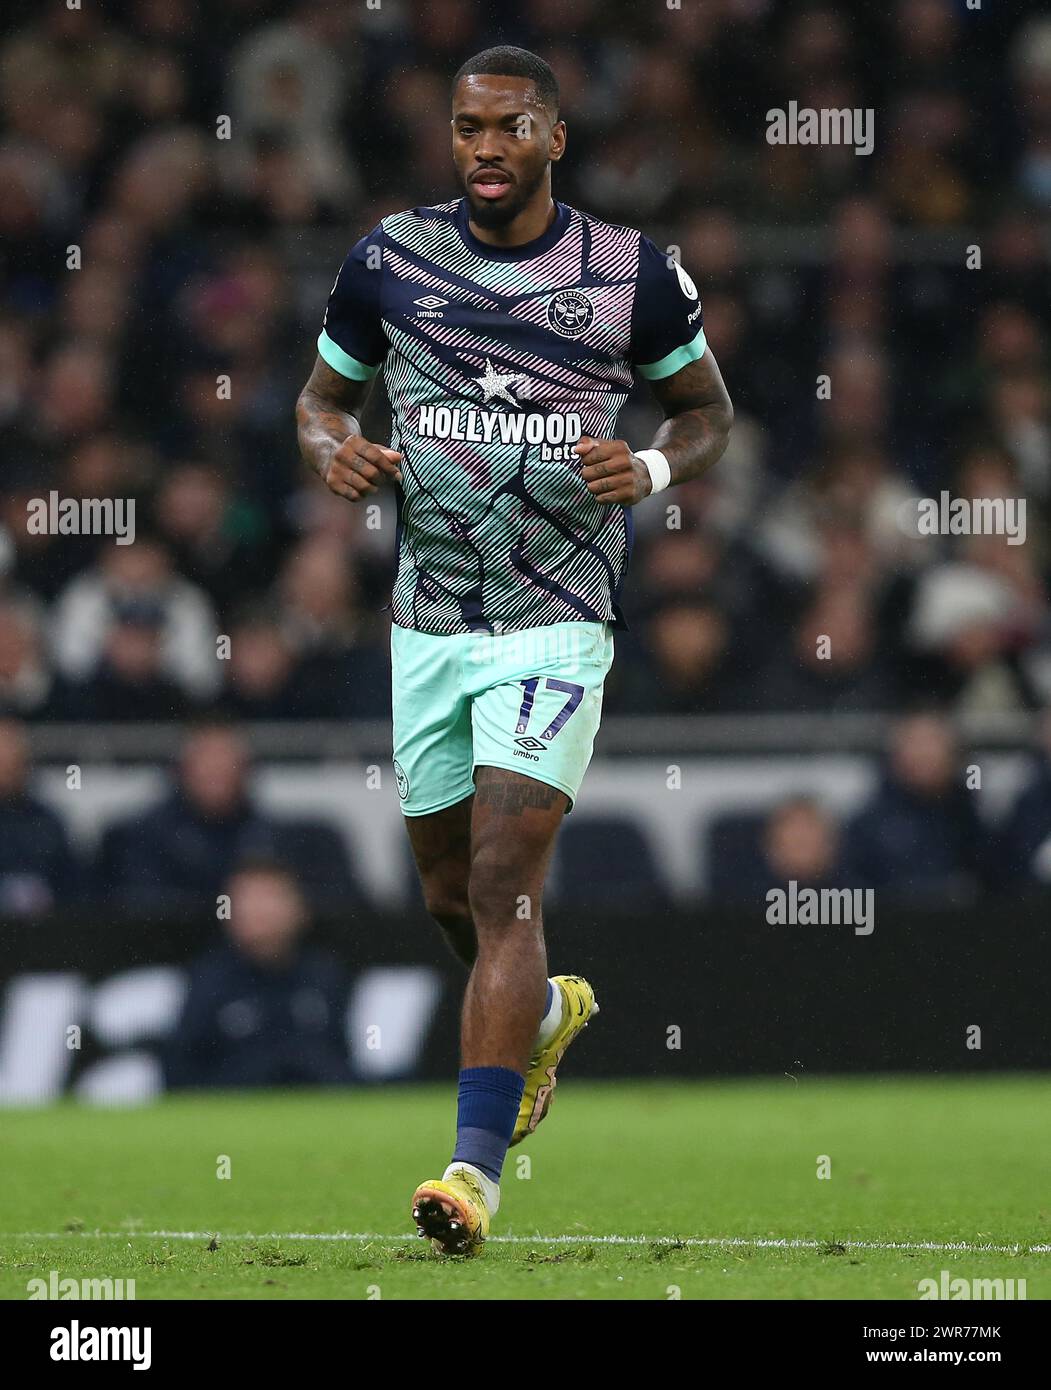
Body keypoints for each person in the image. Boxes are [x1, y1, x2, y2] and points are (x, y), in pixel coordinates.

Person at [295, 46, 733, 1255]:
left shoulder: (626, 275)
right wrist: (330, 445)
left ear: (553, 136)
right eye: (464, 127)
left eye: (506, 127)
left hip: (558, 611)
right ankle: (542, 1011)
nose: (482, 147)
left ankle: (469, 1172)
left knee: (502, 877)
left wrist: (645, 467)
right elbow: (318, 400)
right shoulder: (389, 259)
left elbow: (707, 413)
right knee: (447, 891)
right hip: (428, 620)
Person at [165, 857, 352, 1089]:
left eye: (272, 897)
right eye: (248, 899)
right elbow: (182, 1070)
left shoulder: (325, 975)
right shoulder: (209, 979)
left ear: (301, 909)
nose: (260, 911)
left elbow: (345, 1061)